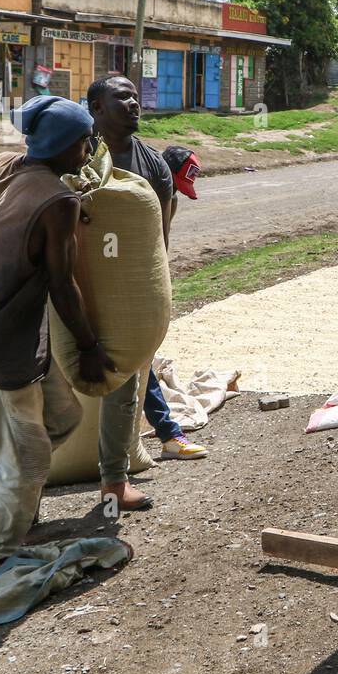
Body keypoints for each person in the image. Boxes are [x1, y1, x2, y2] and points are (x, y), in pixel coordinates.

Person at [0, 95, 113, 593]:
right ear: (72, 146)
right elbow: (63, 284)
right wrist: (90, 346)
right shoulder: (58, 201)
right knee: (29, 458)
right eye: (85, 143)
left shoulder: (3, 167)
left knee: (62, 418)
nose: (88, 151)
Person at [86, 74, 208, 466]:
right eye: (122, 97)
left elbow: (160, 235)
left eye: (136, 97)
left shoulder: (152, 164)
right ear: (96, 108)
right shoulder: (76, 152)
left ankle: (159, 439)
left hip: (130, 279)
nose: (133, 103)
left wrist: (155, 284)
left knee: (137, 356)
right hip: (82, 275)